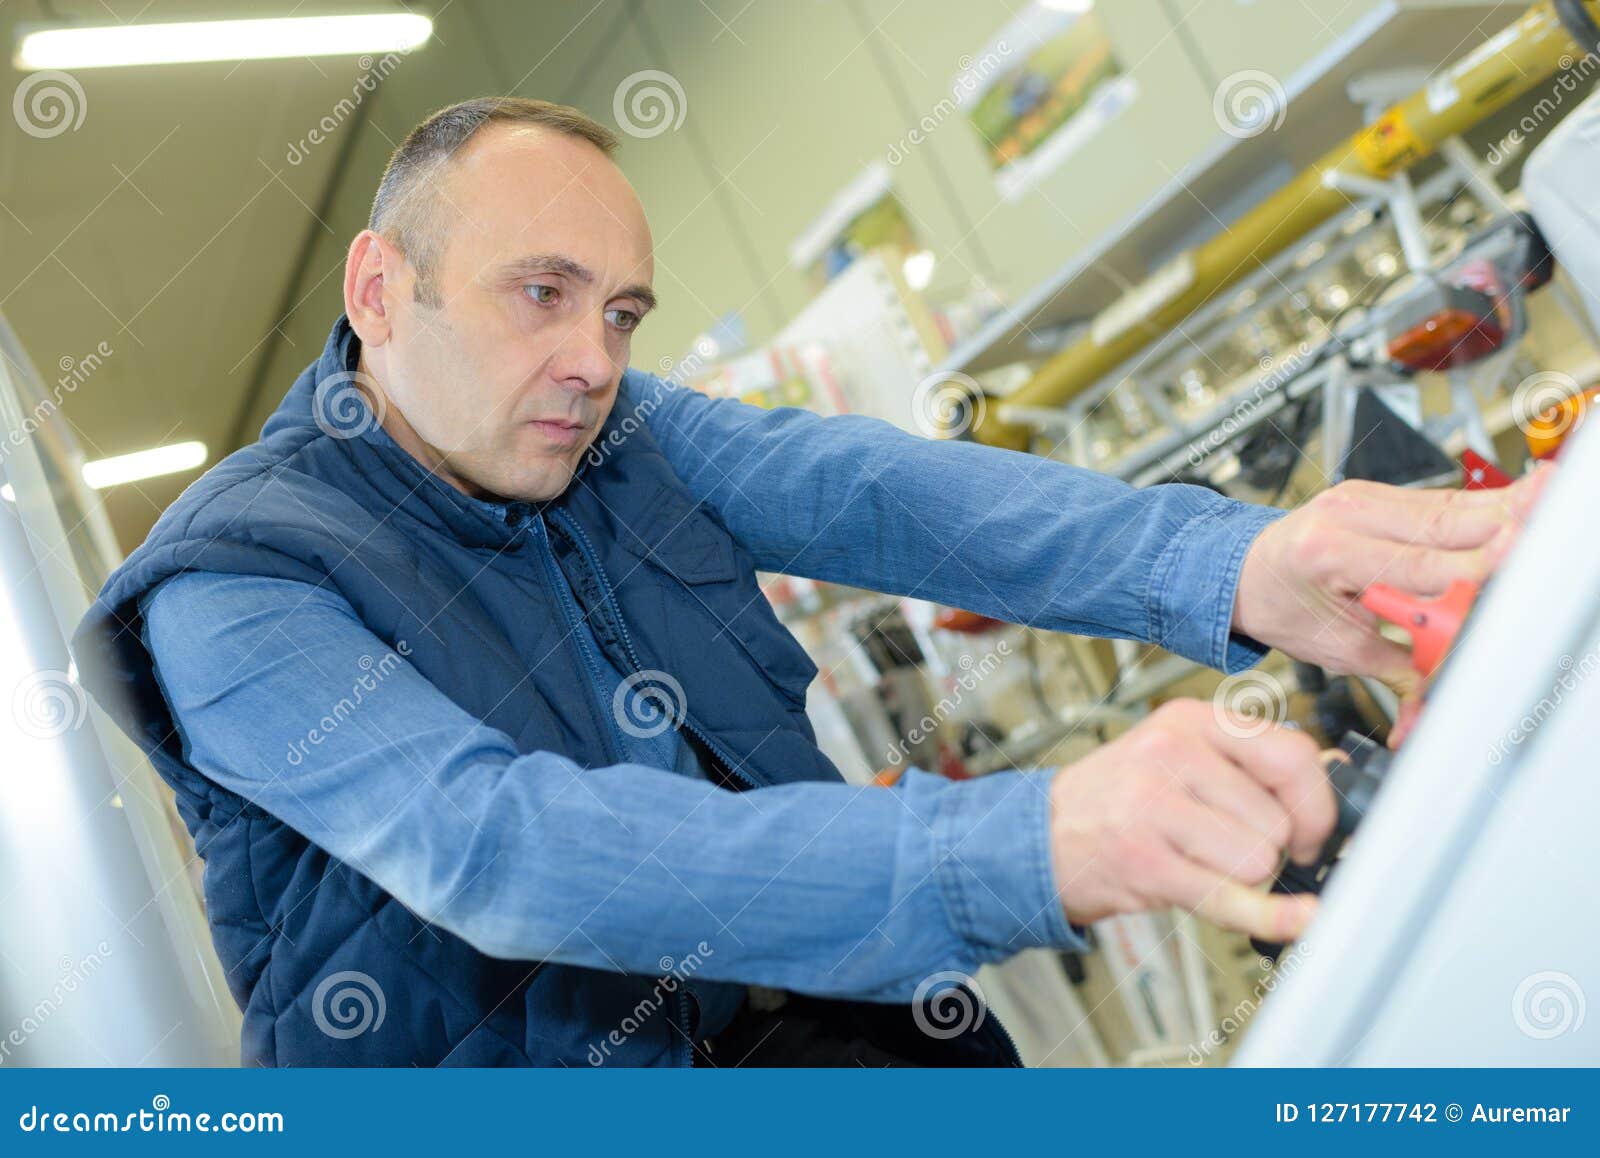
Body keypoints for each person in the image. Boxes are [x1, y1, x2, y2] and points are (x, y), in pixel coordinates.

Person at [74, 97, 1538, 1067]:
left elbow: (884, 493)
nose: (593, 358)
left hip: (835, 1036)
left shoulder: (615, 434)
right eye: (542, 292)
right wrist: (1025, 844)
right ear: (380, 290)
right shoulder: (230, 583)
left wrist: (1236, 561)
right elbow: (501, 849)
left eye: (621, 312)